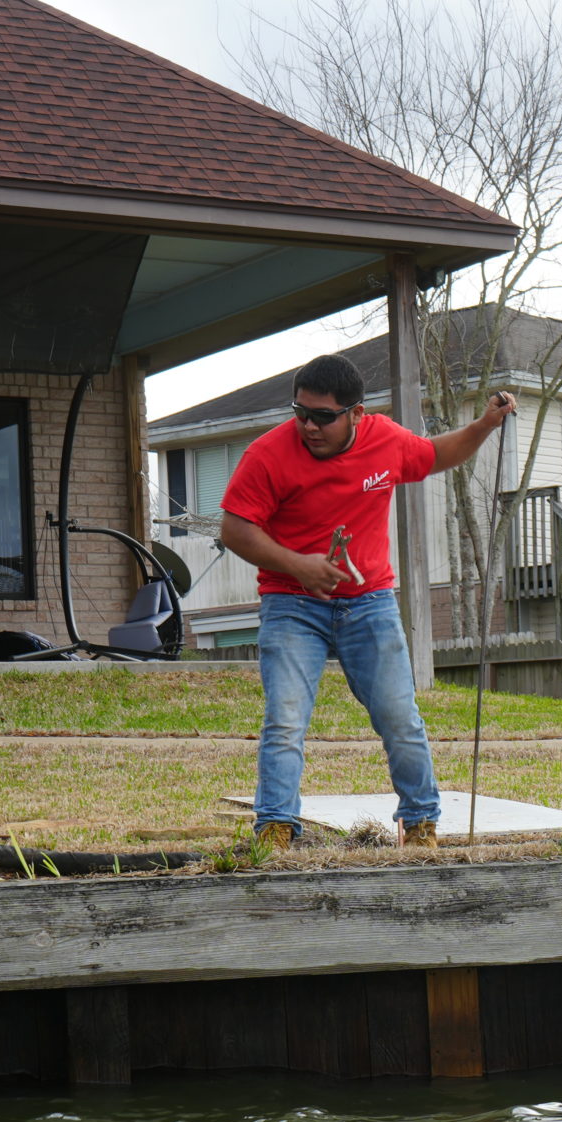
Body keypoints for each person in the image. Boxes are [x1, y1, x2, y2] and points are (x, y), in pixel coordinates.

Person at [217, 353, 513, 849]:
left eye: (323, 416)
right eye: (300, 413)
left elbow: (436, 454)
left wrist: (484, 424)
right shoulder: (267, 455)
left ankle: (420, 824)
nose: (308, 426)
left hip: (368, 603)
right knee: (285, 719)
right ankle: (274, 830)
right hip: (293, 603)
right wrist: (299, 565)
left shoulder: (386, 440)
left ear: (356, 413)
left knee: (400, 716)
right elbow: (234, 529)